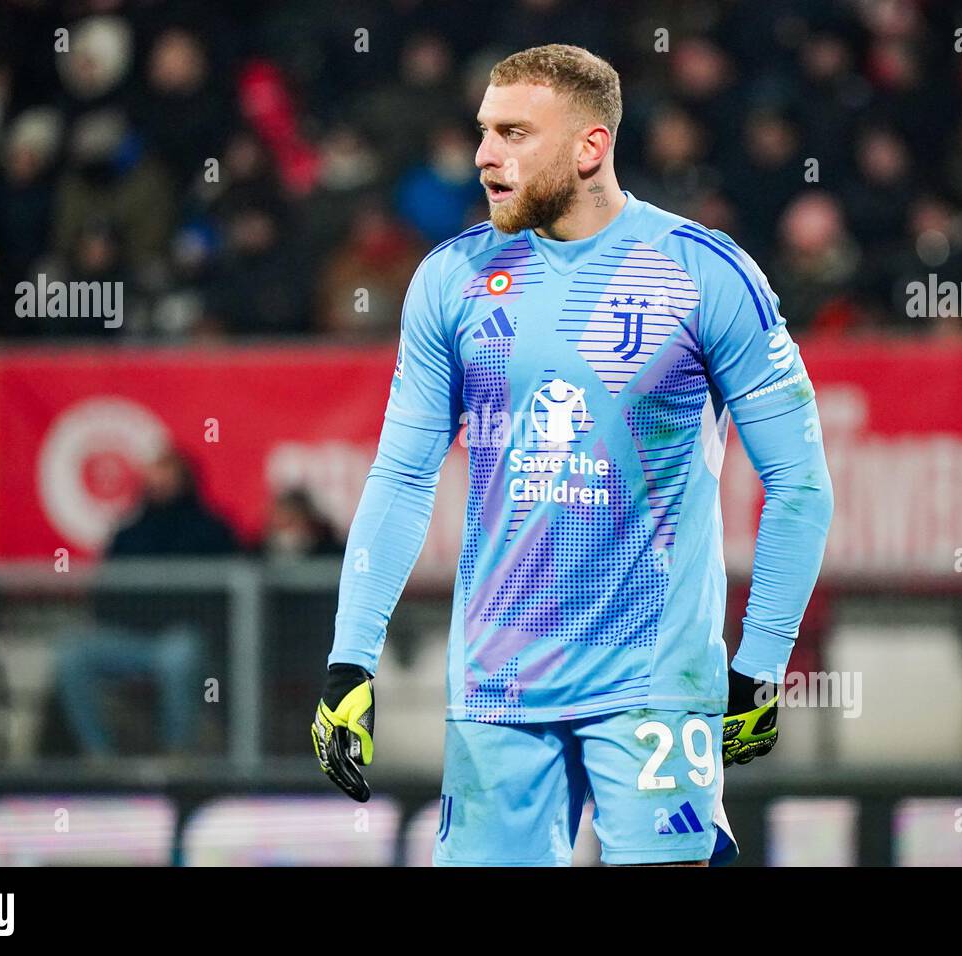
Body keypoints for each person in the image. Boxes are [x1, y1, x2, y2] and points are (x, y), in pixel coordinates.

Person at [311, 44, 833, 867]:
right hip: (495, 690)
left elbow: (799, 483)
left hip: (652, 688)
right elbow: (403, 476)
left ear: (590, 147)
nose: (485, 154)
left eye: (514, 132)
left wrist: (761, 659)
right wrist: (351, 658)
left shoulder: (704, 275)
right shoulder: (450, 280)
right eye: (484, 131)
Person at [54, 447, 236, 756]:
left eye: (167, 473)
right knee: (74, 654)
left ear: (185, 478)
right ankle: (100, 758)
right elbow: (105, 596)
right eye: (154, 474)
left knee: (179, 655)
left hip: (184, 639)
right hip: (131, 638)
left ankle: (176, 757)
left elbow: (221, 601)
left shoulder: (212, 531)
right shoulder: (129, 533)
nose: (158, 482)